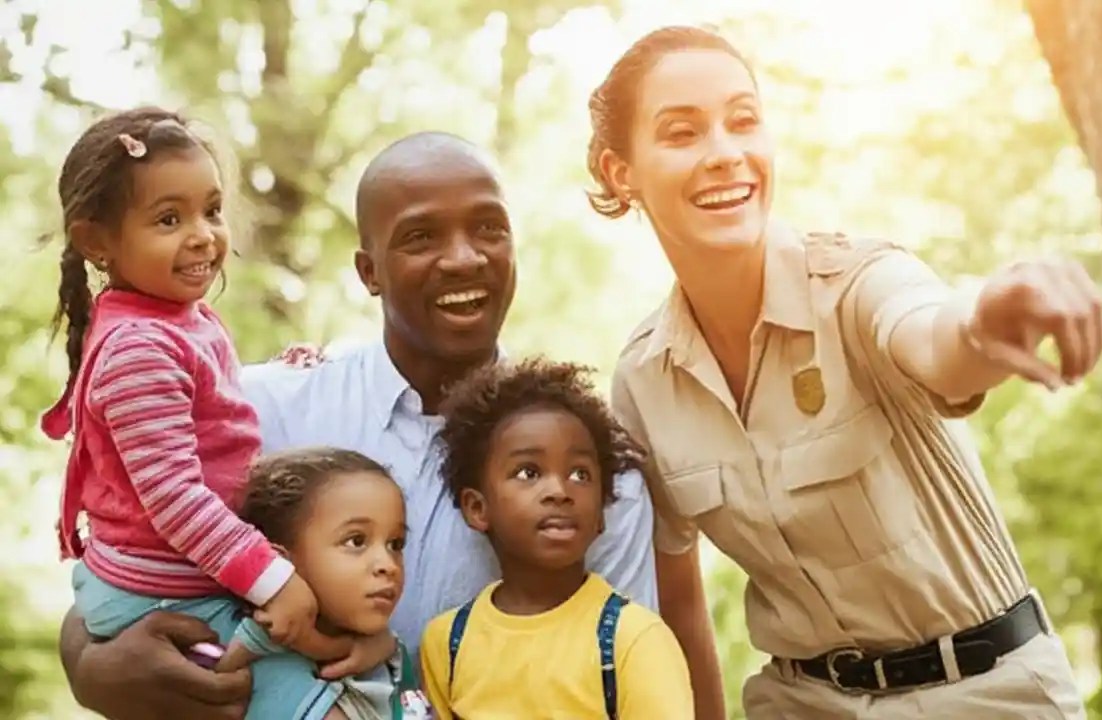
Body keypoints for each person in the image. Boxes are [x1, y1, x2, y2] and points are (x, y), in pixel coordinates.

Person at [56, 131, 724, 720]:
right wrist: (90, 664)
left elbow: (627, 666)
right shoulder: (267, 413)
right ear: (368, 272)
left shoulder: (588, 471)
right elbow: (127, 549)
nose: (463, 258)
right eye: (420, 236)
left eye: (489, 228)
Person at [588, 26, 1102, 719]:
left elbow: (936, 337)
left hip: (990, 694)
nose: (726, 155)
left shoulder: (858, 284)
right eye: (683, 134)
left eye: (744, 122)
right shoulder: (644, 380)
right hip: (801, 703)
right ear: (623, 172)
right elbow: (676, 597)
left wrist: (987, 319)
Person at [40, 106, 388, 719]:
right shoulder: (139, 348)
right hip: (157, 593)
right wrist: (271, 580)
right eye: (169, 218)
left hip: (187, 572)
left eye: (212, 210)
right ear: (97, 241)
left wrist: (285, 369)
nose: (202, 234)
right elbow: (175, 498)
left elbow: (205, 413)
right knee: (323, 706)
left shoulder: (176, 321)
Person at [421, 358, 694, 719]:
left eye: (580, 474)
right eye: (528, 472)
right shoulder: (448, 643)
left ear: (600, 512)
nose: (559, 491)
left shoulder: (632, 639)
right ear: (477, 508)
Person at [213, 447, 430, 720]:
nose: (388, 564)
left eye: (395, 544)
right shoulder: (252, 667)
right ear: (279, 564)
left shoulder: (389, 659)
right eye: (356, 541)